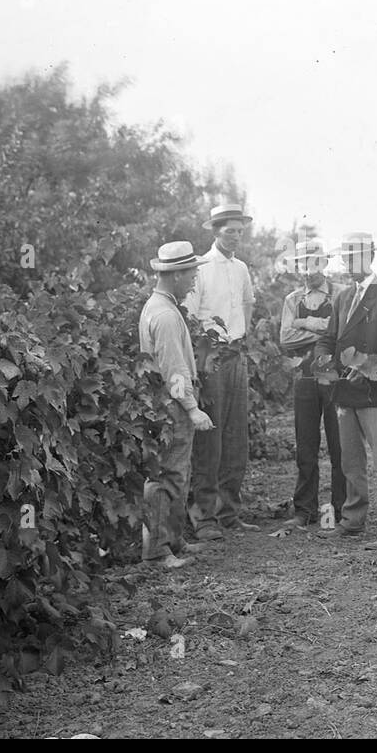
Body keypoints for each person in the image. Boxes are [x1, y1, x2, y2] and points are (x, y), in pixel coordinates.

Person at [314, 232, 377, 550]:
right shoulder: (342, 298)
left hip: (374, 392)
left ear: (369, 256)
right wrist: (322, 359)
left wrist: (365, 368)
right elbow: (328, 338)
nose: (349, 263)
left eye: (355, 256)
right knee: (349, 460)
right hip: (344, 391)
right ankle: (353, 520)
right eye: (346, 257)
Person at [137, 241, 215, 569]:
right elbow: (174, 370)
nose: (195, 279)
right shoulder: (166, 315)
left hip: (168, 404)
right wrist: (192, 408)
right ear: (177, 274)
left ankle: (174, 539)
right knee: (167, 476)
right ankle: (156, 552)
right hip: (172, 405)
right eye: (192, 272)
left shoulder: (163, 306)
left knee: (177, 474)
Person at [183, 202, 257, 538]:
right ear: (215, 232)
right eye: (230, 232)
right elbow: (190, 314)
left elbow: (247, 302)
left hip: (237, 356)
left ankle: (229, 513)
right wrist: (207, 354)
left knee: (236, 436)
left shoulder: (241, 268)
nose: (235, 238)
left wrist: (240, 339)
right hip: (211, 358)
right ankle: (205, 518)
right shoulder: (200, 268)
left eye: (240, 232)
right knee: (210, 439)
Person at [278, 239, 346, 529]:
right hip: (304, 377)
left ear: (325, 263)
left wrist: (304, 324)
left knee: (339, 443)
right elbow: (285, 340)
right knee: (305, 444)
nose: (308, 269)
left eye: (314, 261)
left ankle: (341, 509)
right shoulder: (292, 300)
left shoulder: (342, 295)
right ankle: (303, 510)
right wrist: (324, 331)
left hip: (334, 376)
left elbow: (342, 337)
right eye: (303, 262)